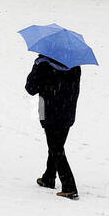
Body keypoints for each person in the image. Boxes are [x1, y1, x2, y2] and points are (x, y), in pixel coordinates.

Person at [25, 54, 81, 199]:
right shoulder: (74, 65)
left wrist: (36, 67)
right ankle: (49, 177)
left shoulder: (43, 65)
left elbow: (30, 88)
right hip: (67, 111)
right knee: (57, 144)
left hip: (49, 110)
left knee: (56, 148)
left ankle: (69, 186)